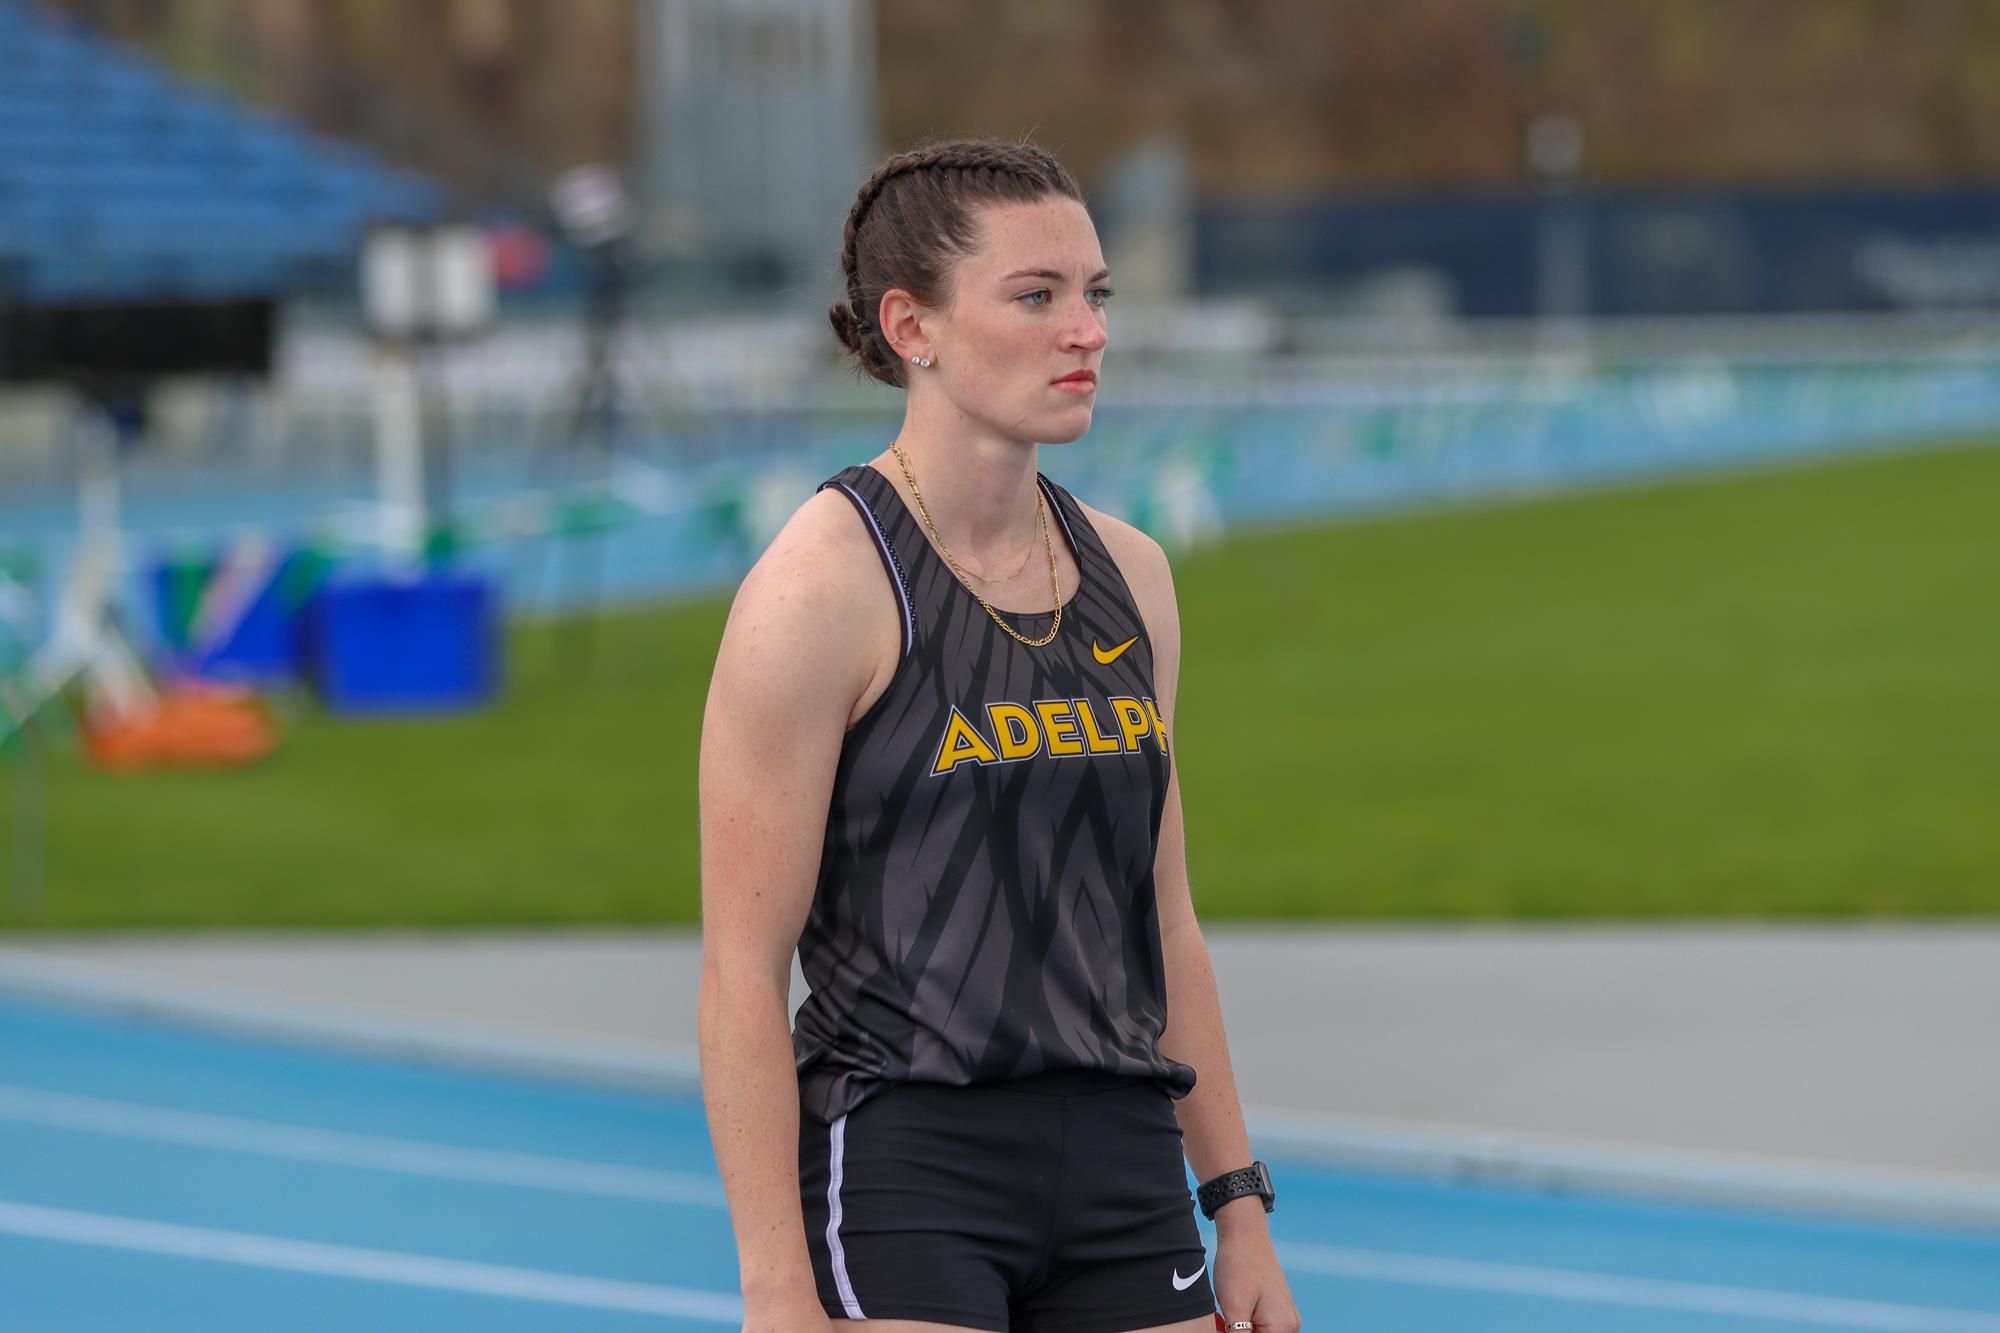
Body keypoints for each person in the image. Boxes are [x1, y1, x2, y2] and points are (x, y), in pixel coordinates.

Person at [698, 138, 1302, 1333]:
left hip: (1123, 1159)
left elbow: (1163, 921)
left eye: (1095, 294)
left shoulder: (1132, 576)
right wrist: (775, 1289)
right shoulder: (817, 592)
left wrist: (1235, 1206)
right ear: (910, 327)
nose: (1086, 331)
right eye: (1036, 296)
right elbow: (740, 973)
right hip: (908, 1161)